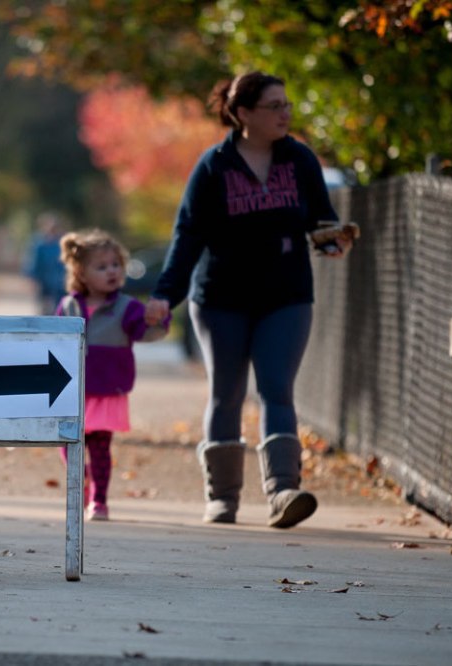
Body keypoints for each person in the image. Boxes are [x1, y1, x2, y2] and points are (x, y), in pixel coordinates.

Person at [143, 71, 355, 529]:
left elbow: (321, 218)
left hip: (286, 296)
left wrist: (332, 240)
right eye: (274, 106)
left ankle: (283, 492)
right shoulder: (214, 166)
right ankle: (222, 498)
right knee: (227, 393)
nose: (285, 113)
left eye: (287, 105)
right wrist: (165, 295)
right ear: (243, 113)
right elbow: (188, 235)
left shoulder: (299, 159)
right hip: (221, 299)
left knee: (277, 389)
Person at [56, 229, 170, 521]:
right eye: (102, 266)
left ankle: (100, 501)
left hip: (107, 390)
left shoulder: (127, 307)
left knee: (100, 447)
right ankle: (81, 481)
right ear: (81, 273)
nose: (112, 271)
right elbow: (55, 342)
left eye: (116, 265)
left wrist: (158, 320)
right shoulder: (69, 306)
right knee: (68, 444)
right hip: (71, 391)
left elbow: (145, 332)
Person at [24, 212, 67, 315]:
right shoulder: (38, 243)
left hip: (59, 283)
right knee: (44, 308)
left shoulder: (62, 242)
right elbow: (33, 262)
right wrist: (32, 279)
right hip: (43, 281)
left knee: (59, 308)